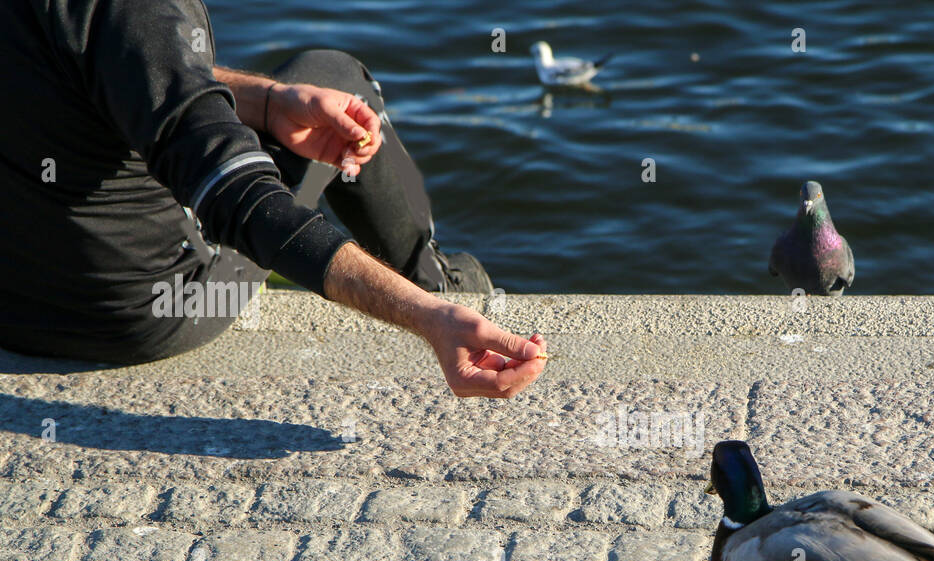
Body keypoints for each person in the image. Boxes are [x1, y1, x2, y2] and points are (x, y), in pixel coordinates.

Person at [0, 0, 546, 398]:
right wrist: (429, 318)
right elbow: (243, 202)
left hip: (16, 302)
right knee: (336, 78)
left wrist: (265, 102)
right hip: (145, 308)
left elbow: (99, 68)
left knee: (306, 91)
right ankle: (436, 283)